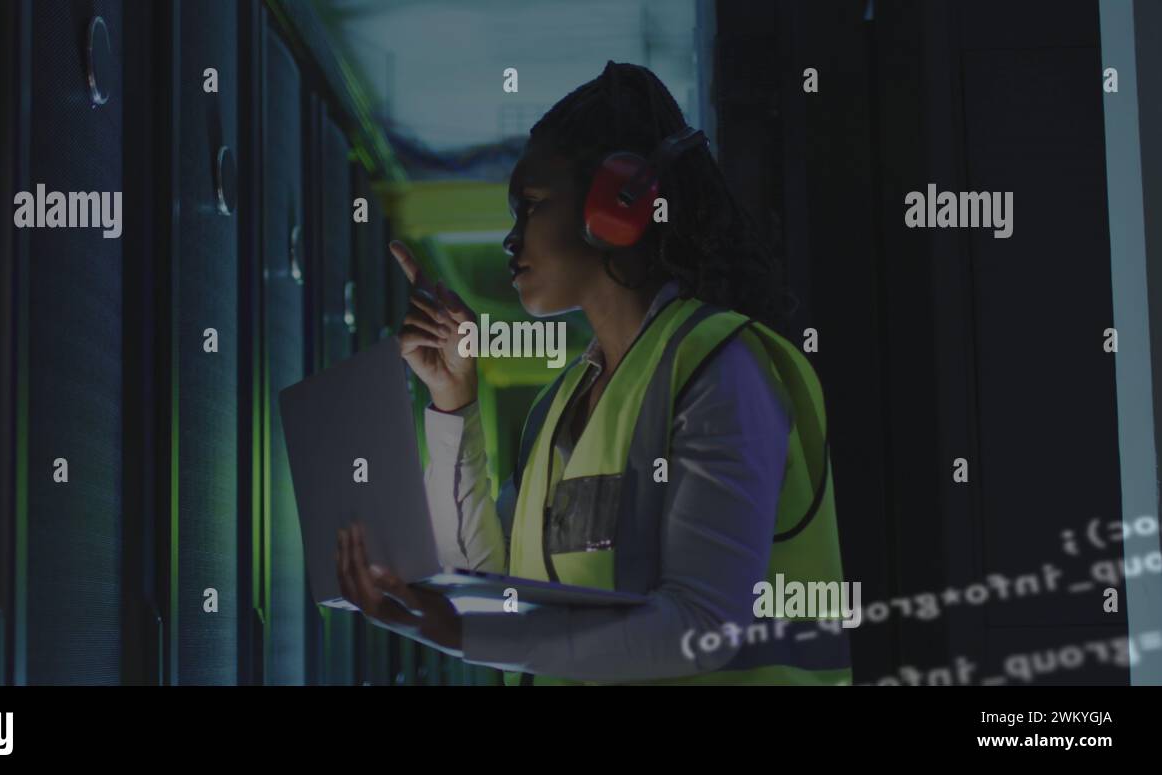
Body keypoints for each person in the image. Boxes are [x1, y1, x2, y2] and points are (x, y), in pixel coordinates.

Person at [335, 61, 850, 685]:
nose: (511, 239)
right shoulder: (561, 406)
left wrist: (461, 630)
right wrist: (453, 399)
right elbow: (494, 590)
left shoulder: (720, 369)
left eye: (530, 207)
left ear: (618, 205)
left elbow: (701, 625)